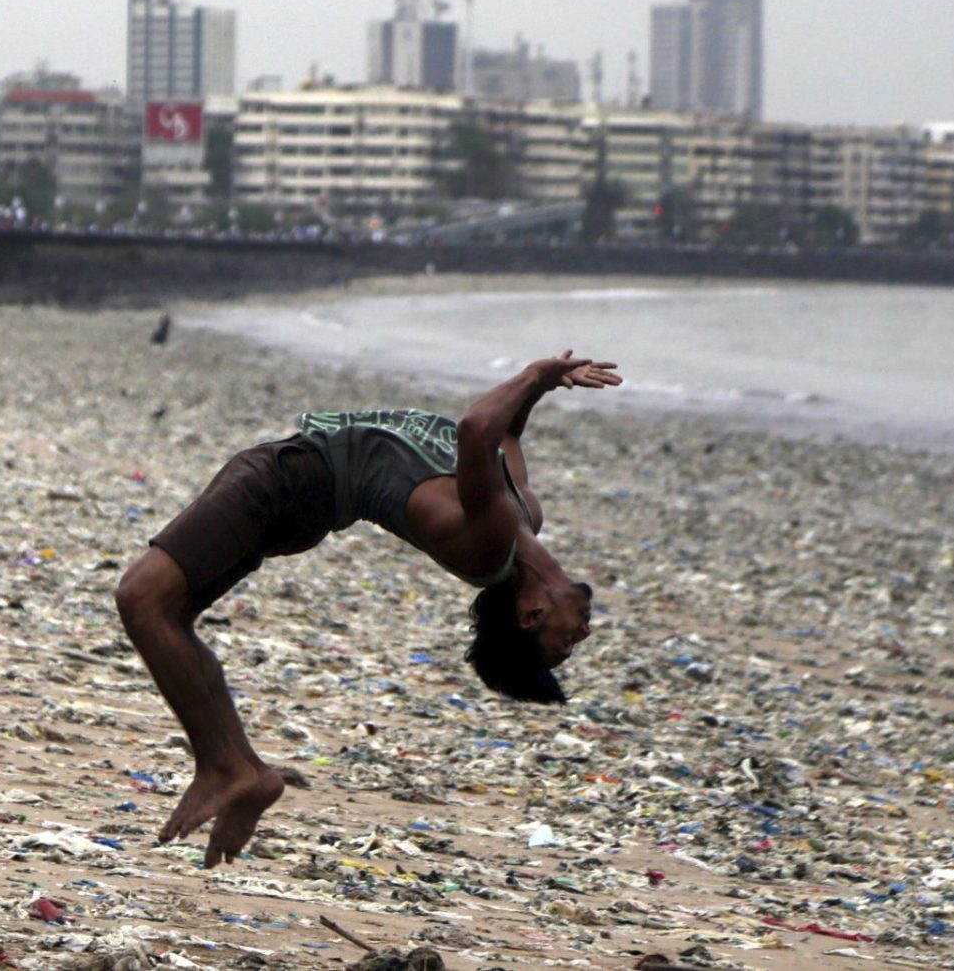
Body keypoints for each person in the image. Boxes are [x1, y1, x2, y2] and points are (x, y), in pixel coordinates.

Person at [114, 351, 620, 868]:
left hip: (291, 483)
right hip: (303, 493)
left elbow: (476, 428)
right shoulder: (522, 518)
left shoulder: (489, 544)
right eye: (574, 641)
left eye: (568, 641)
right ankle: (240, 768)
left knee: (141, 599)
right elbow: (505, 437)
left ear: (530, 615)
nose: (584, 631)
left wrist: (533, 373)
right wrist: (544, 387)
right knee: (165, 613)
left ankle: (225, 766)